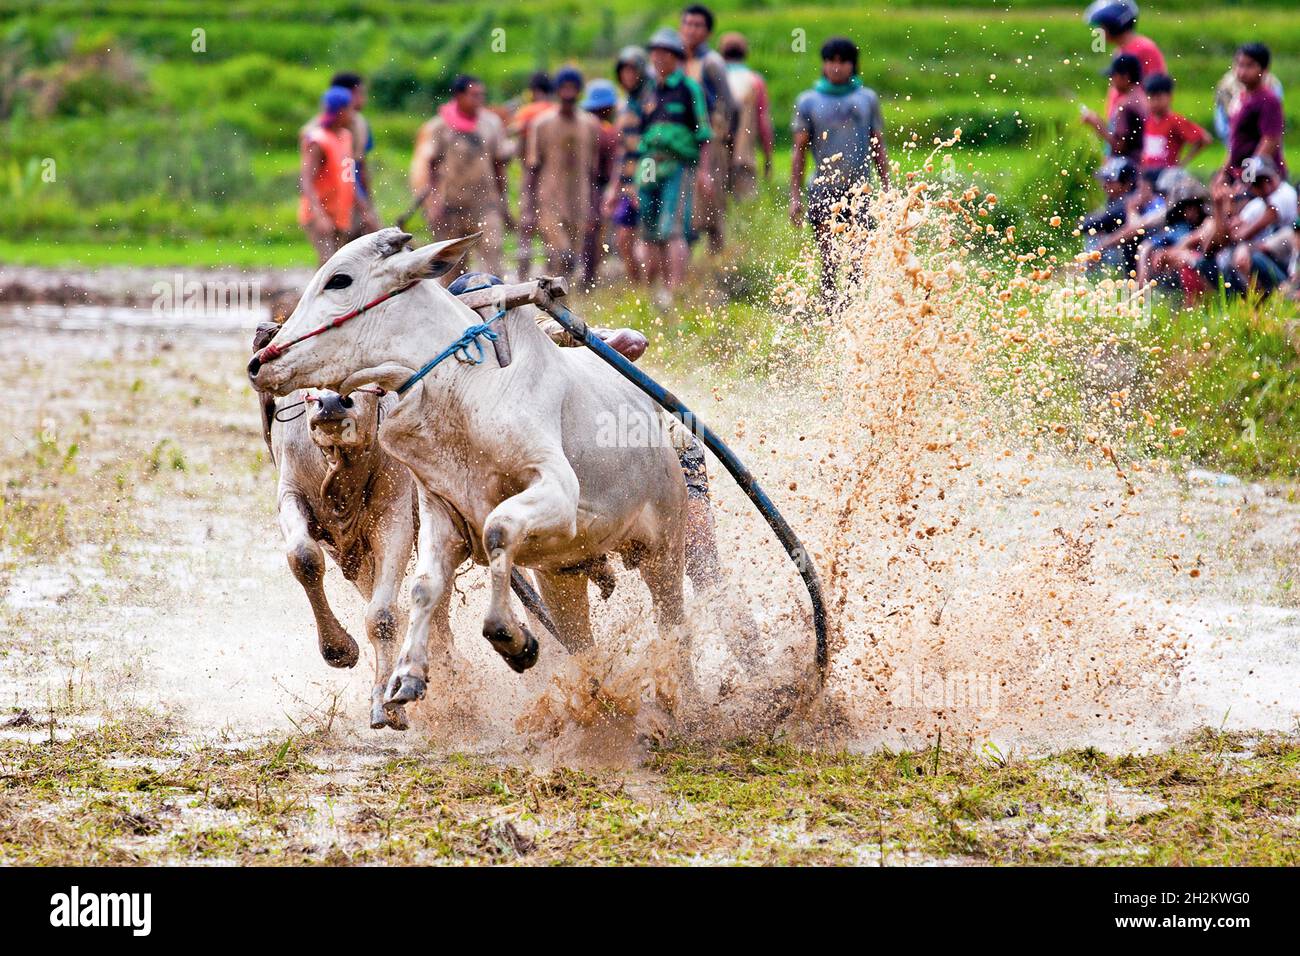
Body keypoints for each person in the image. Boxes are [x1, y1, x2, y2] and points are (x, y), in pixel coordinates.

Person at [789, 36, 890, 300]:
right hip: (823, 188)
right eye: (831, 61)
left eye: (843, 62)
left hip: (859, 189)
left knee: (859, 254)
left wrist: (888, 188)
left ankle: (854, 306)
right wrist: (794, 196)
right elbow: (798, 151)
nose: (836, 67)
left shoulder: (867, 99)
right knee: (829, 256)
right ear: (823, 65)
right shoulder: (808, 101)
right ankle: (830, 305)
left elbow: (878, 145)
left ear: (853, 66)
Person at [635, 28, 712, 306]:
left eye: (663, 53)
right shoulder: (649, 90)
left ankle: (674, 288)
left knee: (673, 226)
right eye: (654, 52)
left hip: (677, 162)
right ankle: (649, 290)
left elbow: (703, 133)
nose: (657, 57)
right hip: (648, 162)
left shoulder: (689, 88)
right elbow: (640, 131)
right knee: (647, 225)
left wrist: (704, 171)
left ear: (675, 57)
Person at [410, 74, 511, 279]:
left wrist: (503, 200)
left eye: (482, 95)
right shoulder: (439, 127)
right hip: (450, 207)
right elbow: (430, 164)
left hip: (485, 206)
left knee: (493, 257)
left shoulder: (491, 124)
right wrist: (434, 203)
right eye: (474, 95)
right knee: (452, 270)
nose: (479, 100)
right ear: (459, 96)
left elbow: (499, 164)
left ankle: (495, 305)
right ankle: (458, 308)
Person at [524, 67, 601, 279]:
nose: (568, 93)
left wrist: (594, 207)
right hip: (549, 200)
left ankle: (562, 304)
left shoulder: (591, 125)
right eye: (564, 88)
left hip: (580, 201)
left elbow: (593, 172)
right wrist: (529, 209)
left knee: (570, 260)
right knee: (561, 252)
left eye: (572, 88)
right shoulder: (541, 124)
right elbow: (532, 169)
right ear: (557, 91)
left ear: (579, 91)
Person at [679, 5, 737, 254]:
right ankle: (685, 268)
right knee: (684, 203)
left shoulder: (711, 62)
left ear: (708, 32)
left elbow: (730, 105)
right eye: (688, 23)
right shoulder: (676, 60)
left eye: (698, 25)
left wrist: (727, 139)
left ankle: (718, 260)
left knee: (711, 201)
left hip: (709, 140)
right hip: (683, 140)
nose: (691, 30)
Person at [604, 46, 652, 283]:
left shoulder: (652, 102)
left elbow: (653, 147)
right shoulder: (624, 106)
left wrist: (641, 183)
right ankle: (638, 286)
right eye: (623, 72)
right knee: (623, 237)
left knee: (649, 238)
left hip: (649, 179)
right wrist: (615, 186)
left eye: (632, 71)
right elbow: (621, 150)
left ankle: (656, 289)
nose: (627, 76)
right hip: (627, 180)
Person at [298, 86, 356, 264]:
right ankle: (312, 293)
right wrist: (319, 215)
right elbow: (305, 180)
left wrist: (362, 209)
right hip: (320, 213)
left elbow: (348, 176)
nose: (353, 114)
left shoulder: (346, 136)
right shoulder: (318, 140)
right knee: (329, 263)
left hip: (341, 214)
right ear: (340, 111)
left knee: (339, 264)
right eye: (350, 109)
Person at [1085, 1, 1165, 119]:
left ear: (1114, 26)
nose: (1099, 31)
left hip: (1136, 126)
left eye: (1102, 26)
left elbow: (1157, 91)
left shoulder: (1144, 49)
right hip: (1121, 126)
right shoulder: (1120, 51)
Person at [510, 71, 556, 280]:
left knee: (527, 224)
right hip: (554, 177)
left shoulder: (526, 113)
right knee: (550, 225)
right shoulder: (555, 111)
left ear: (533, 91)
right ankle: (550, 273)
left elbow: (516, 142)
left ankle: (522, 275)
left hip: (530, 173)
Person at [719, 32, 774, 199]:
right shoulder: (755, 81)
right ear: (745, 53)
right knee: (745, 207)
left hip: (717, 154)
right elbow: (763, 123)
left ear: (721, 53)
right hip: (744, 157)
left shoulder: (716, 79)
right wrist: (768, 157)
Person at [1225, 43, 1287, 181]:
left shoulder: (1268, 100)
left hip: (1262, 179)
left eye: (1249, 66)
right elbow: (1236, 141)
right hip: (1241, 172)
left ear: (1264, 69)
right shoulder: (1240, 98)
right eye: (1239, 65)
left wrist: (1248, 177)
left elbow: (1269, 141)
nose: (1242, 71)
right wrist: (1224, 172)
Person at [329, 71, 380, 237]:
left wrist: (368, 203)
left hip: (355, 196)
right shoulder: (326, 130)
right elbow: (346, 171)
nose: (364, 99)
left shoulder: (360, 124)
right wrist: (365, 207)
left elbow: (361, 166)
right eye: (361, 93)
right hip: (334, 200)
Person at [581, 80, 621, 288]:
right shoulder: (607, 132)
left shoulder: (582, 125)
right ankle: (589, 277)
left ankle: (585, 276)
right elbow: (612, 166)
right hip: (597, 187)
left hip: (580, 186)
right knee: (593, 231)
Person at [1081, 53, 1146, 163]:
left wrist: (1097, 125)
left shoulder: (1125, 105)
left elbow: (1120, 147)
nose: (1111, 81)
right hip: (1141, 163)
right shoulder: (1143, 99)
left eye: (1113, 76)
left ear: (1125, 77)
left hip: (1127, 168)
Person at [1080, 157, 1140, 273]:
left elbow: (1087, 224)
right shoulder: (1118, 200)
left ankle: (1094, 278)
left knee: (1094, 238)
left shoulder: (1129, 201)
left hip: (1140, 260)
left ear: (1127, 184)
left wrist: (1102, 245)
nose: (1105, 185)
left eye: (1110, 181)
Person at [1140, 74, 1210, 173]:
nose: (1155, 102)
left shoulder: (1175, 120)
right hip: (1147, 173)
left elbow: (1204, 139)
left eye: (1159, 98)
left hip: (1166, 175)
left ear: (1169, 97)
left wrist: (1182, 163)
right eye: (1151, 98)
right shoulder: (1146, 120)